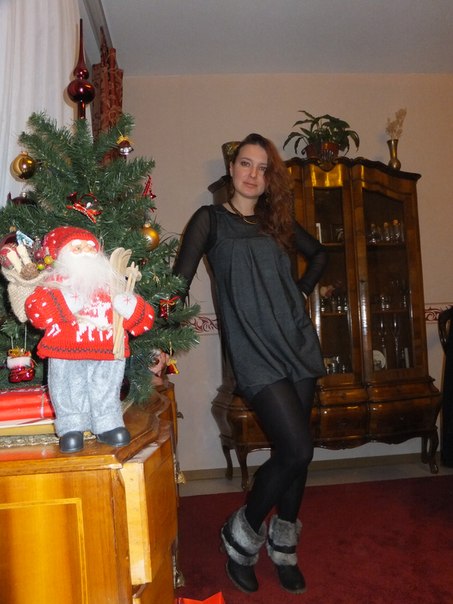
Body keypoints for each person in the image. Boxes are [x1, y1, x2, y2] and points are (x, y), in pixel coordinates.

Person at [173, 133, 327, 594]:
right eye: (246, 163)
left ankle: (284, 547)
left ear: (269, 177)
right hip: (254, 353)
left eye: (262, 168)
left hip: (297, 345)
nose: (252, 174)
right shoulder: (210, 220)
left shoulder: (276, 222)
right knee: (297, 449)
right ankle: (241, 536)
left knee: (297, 456)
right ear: (232, 168)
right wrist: (163, 341)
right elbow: (178, 284)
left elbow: (320, 255)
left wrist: (300, 292)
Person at [25, 226, 155, 453]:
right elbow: (36, 312)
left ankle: (108, 423)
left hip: (108, 350)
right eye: (77, 248)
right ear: (61, 255)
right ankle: (71, 427)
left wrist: (131, 307)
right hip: (66, 350)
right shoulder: (53, 285)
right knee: (66, 386)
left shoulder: (112, 283)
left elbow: (145, 320)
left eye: (90, 247)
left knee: (106, 387)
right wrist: (63, 302)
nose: (86, 251)